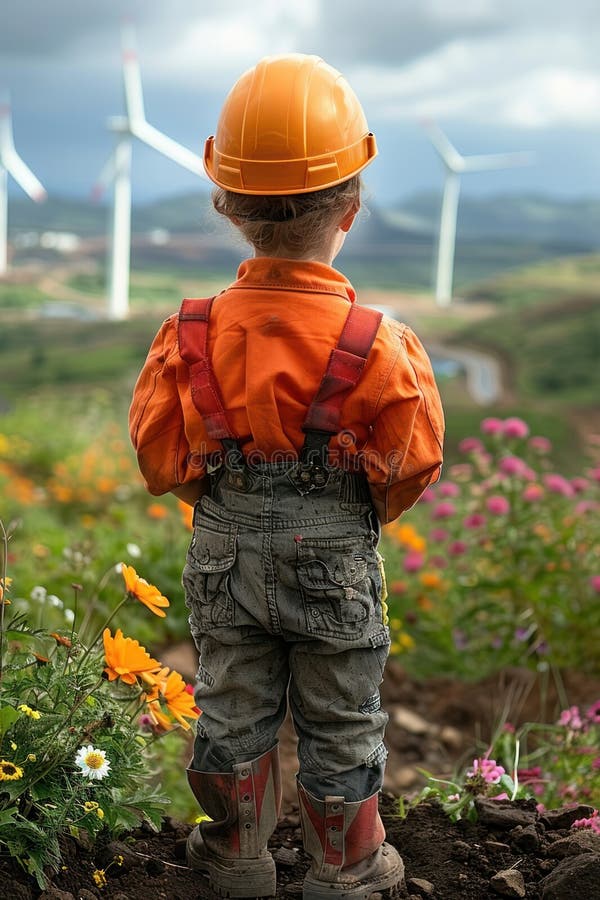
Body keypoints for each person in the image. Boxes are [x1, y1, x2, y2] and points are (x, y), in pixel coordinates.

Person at [129, 53, 444, 900]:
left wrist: (231, 498)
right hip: (337, 558)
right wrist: (339, 507)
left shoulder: (188, 331)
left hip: (223, 550)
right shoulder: (380, 344)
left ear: (225, 203)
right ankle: (347, 866)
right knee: (343, 716)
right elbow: (411, 465)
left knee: (231, 702)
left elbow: (160, 458)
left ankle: (236, 856)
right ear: (351, 207)